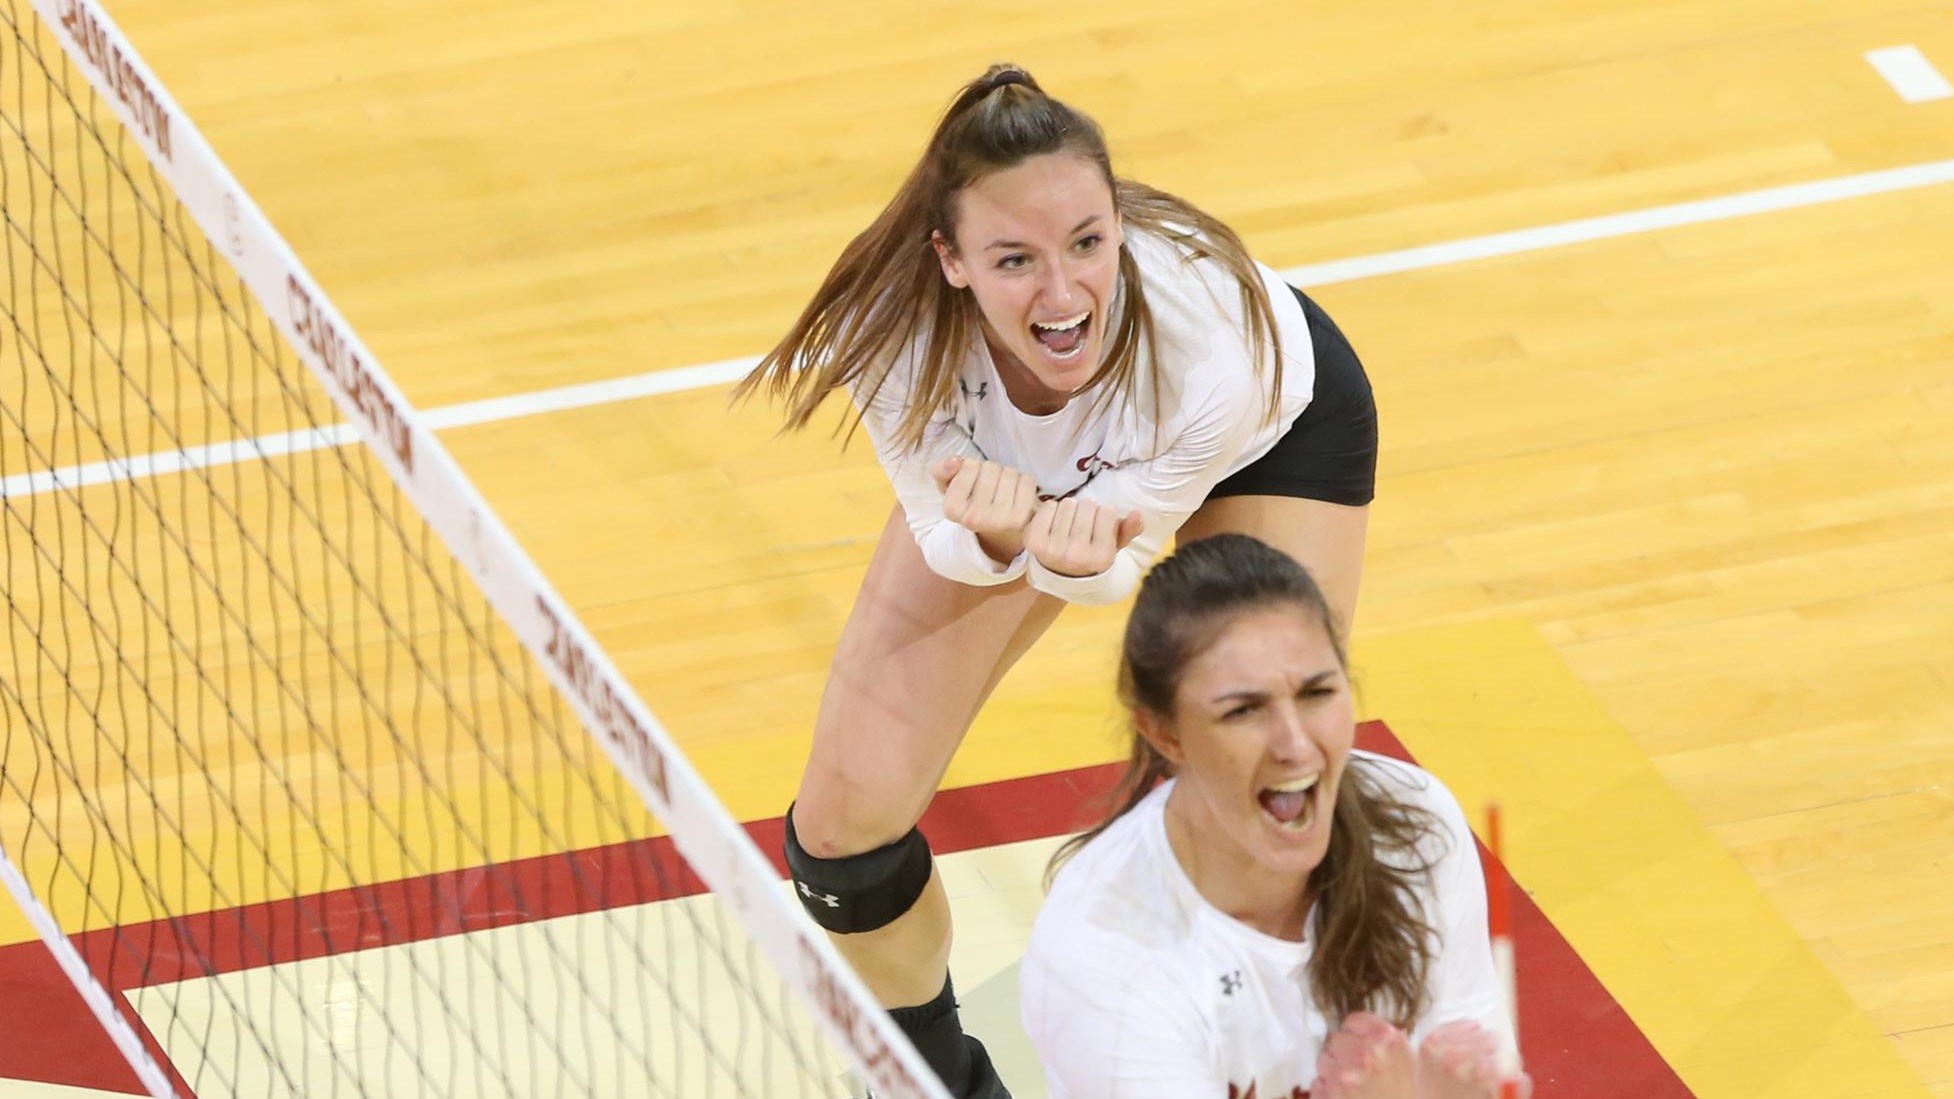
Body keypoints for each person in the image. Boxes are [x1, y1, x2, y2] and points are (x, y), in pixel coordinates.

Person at [734, 62, 1378, 1097]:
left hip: (1270, 435)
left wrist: (1059, 552)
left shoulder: (1205, 344)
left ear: (1116, 218)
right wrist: (992, 541)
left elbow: (1121, 572)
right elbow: (947, 533)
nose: (1065, 292)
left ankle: (1286, 1061)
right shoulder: (892, 335)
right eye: (1014, 259)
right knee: (842, 832)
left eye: (1087, 242)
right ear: (949, 260)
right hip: (1036, 481)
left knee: (1265, 781)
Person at [1019, 534, 1529, 1099]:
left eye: (1317, 693)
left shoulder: (1412, 824)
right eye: (1244, 710)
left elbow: (1477, 1066)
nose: (1295, 745)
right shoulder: (1105, 962)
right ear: (1165, 735)